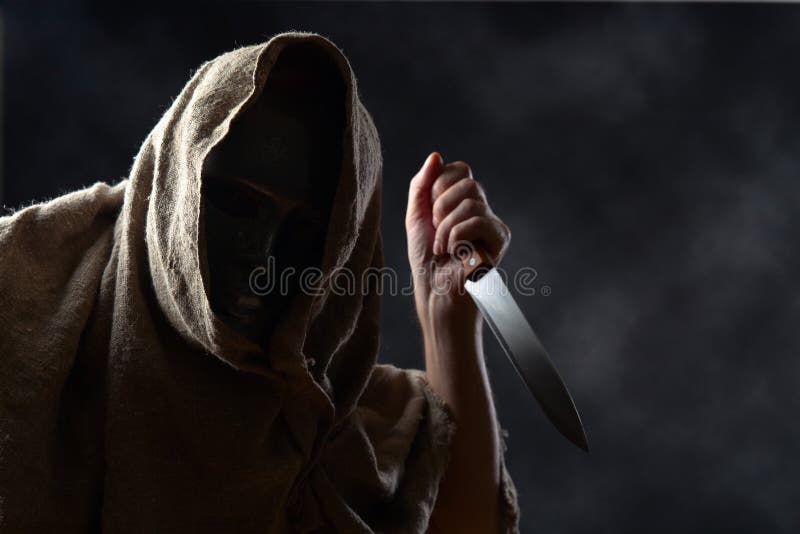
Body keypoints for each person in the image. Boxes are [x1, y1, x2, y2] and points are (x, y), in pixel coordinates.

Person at [0, 31, 519, 533]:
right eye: (237, 204)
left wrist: (445, 314)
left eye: (306, 231)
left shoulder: (330, 437)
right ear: (176, 186)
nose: (262, 259)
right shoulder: (19, 308)